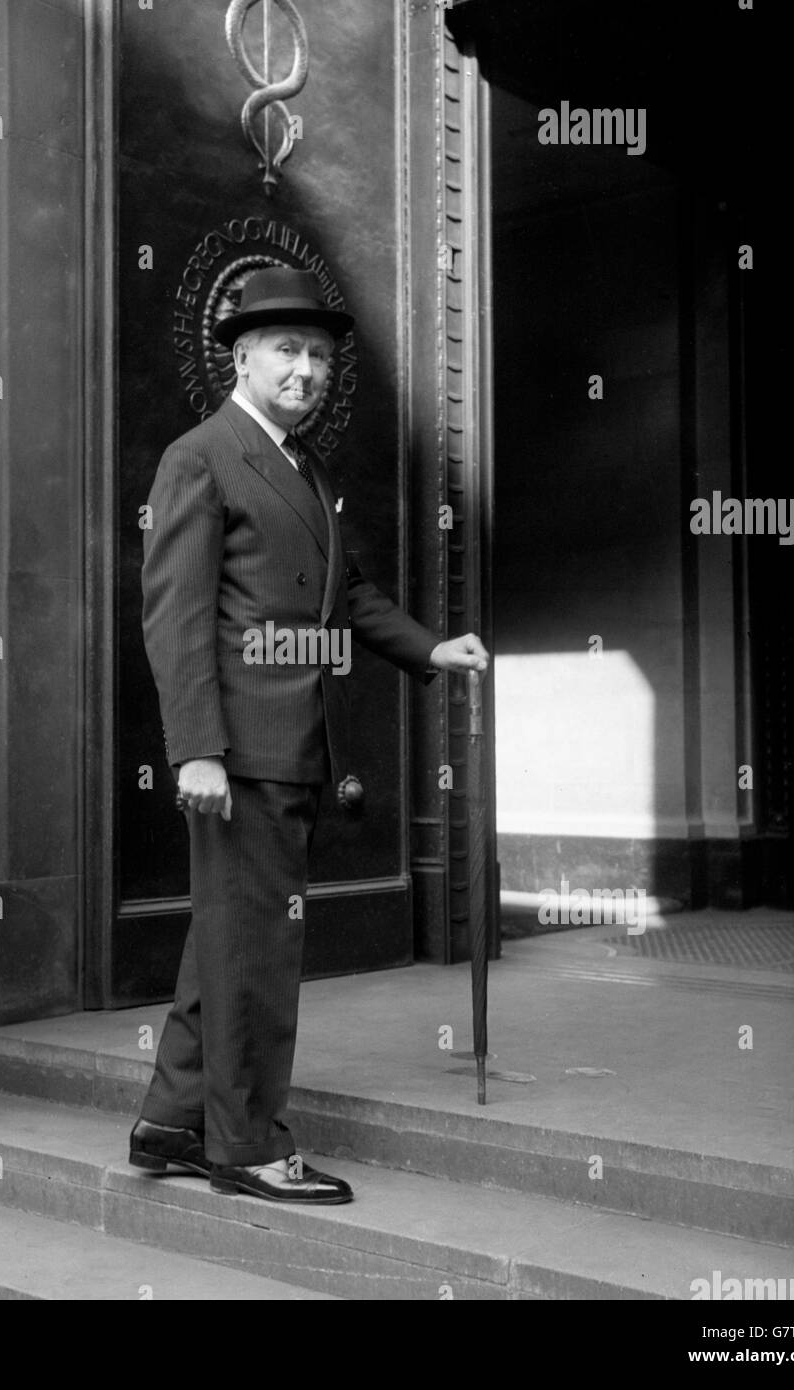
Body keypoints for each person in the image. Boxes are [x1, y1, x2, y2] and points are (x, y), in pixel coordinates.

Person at [131, 267, 488, 1203]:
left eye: (320, 355)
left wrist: (431, 647)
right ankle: (245, 1148)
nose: (305, 369)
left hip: (291, 743)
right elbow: (175, 619)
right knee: (256, 951)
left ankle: (171, 1124)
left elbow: (351, 593)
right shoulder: (201, 456)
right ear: (241, 356)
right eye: (285, 350)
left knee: (230, 937)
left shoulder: (302, 466)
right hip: (241, 750)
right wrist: (195, 749)